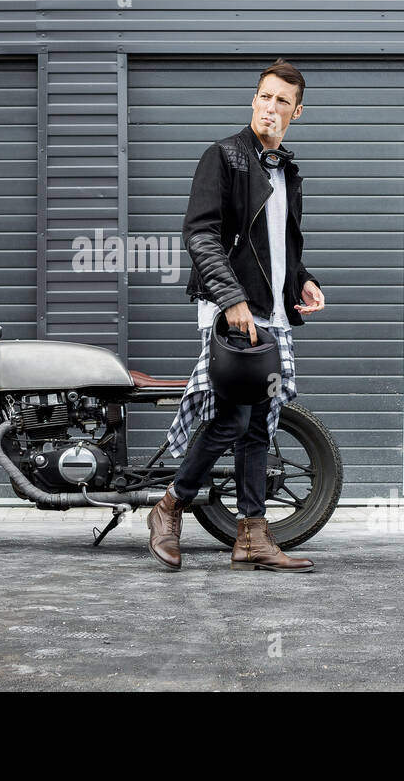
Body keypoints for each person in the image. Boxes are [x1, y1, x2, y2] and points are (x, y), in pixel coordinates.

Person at [147, 59, 325, 572]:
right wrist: (231, 299)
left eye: (282, 101)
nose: (271, 108)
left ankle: (251, 535)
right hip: (232, 310)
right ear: (254, 101)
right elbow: (200, 234)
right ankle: (169, 506)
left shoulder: (286, 170)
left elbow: (279, 247)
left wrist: (304, 280)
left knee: (258, 425)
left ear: (297, 110)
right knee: (232, 418)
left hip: (271, 313)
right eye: (264, 97)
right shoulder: (223, 157)